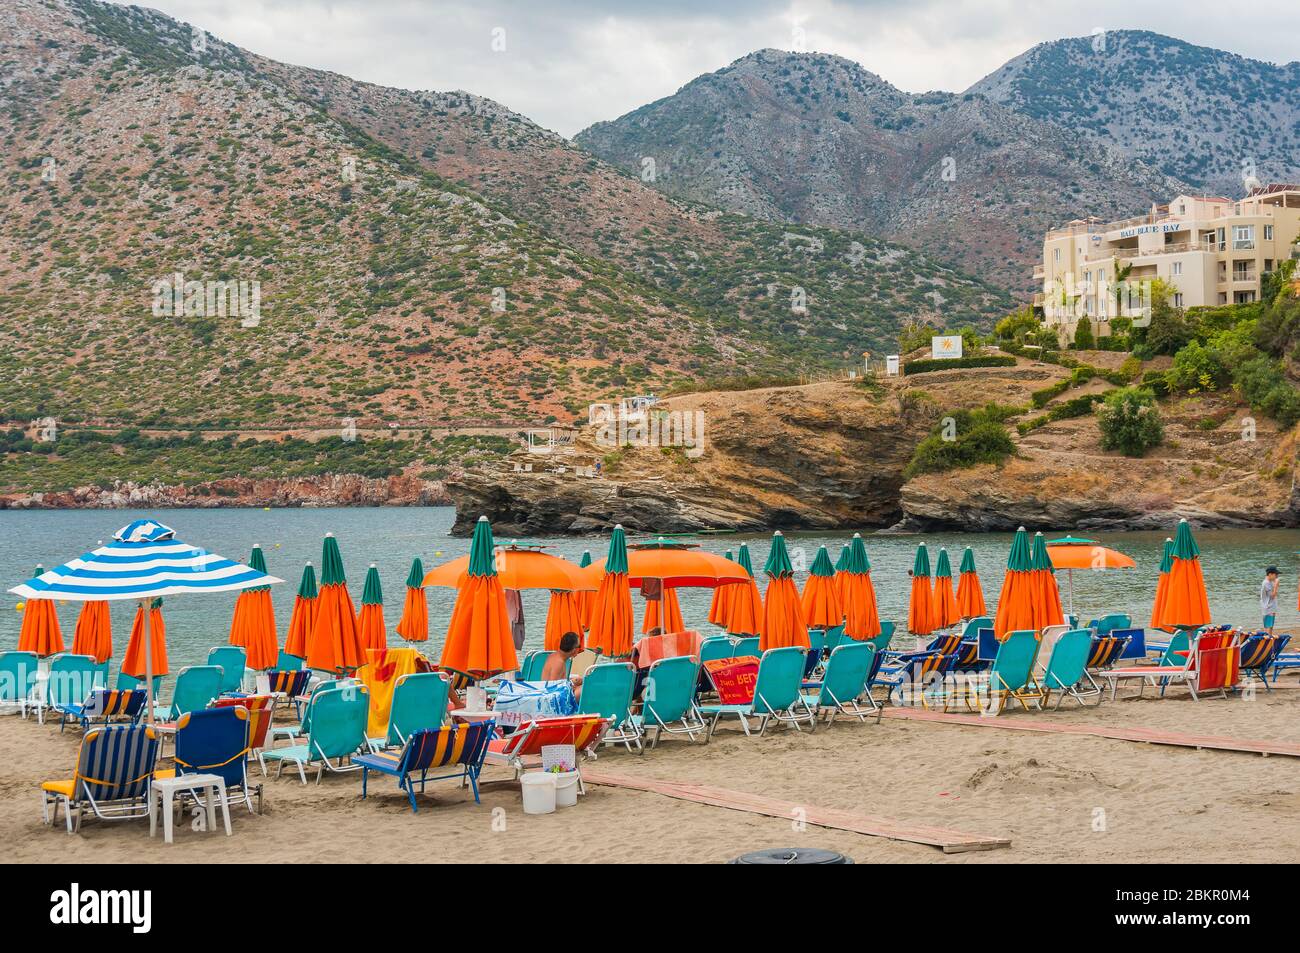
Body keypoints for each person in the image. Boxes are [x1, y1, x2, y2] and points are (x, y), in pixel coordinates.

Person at [542, 630, 583, 700]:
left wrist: (572, 682)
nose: (580, 649)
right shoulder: (559, 663)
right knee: (585, 689)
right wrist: (572, 683)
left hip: (549, 692)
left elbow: (556, 681)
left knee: (583, 683)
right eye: (579, 646)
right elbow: (552, 689)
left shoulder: (554, 656)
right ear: (574, 649)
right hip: (554, 700)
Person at [1261, 567, 1280, 635]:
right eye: (1276, 575)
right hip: (1268, 608)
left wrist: (1275, 584)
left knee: (1270, 626)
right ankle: (1268, 642)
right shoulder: (1266, 583)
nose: (1277, 576)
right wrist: (1276, 586)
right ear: (1270, 574)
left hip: (1271, 607)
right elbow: (1272, 595)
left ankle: (1269, 641)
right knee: (1268, 627)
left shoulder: (1270, 581)